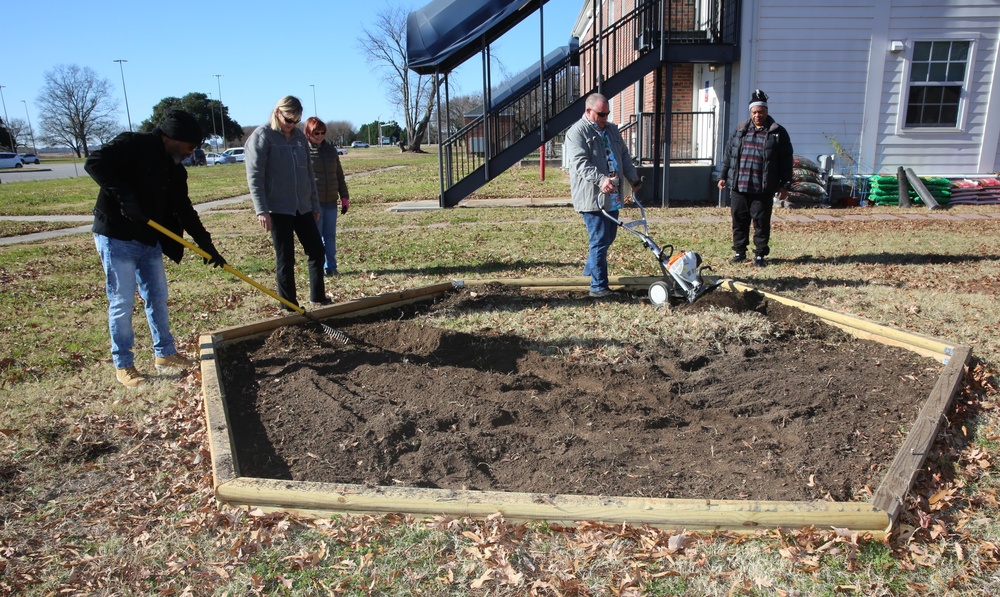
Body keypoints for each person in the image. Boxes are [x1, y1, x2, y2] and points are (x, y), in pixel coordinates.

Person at [86, 109, 227, 388]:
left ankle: (164, 353)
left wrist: (208, 246)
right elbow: (95, 162)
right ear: (171, 138)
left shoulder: (175, 169)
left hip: (149, 241)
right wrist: (125, 198)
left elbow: (184, 210)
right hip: (117, 238)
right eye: (190, 146)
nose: (191, 152)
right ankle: (124, 364)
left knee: (157, 297)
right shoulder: (133, 144)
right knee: (122, 303)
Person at [245, 96, 329, 308]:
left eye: (297, 120)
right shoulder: (263, 136)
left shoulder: (300, 137)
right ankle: (289, 305)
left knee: (317, 251)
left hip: (303, 208)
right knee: (286, 258)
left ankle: (318, 297)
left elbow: (308, 173)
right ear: (278, 113)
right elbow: (255, 175)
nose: (292, 124)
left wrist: (314, 205)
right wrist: (261, 210)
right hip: (277, 208)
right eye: (289, 120)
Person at [565, 93, 640, 298]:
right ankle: (598, 287)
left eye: (607, 113)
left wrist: (632, 177)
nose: (605, 117)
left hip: (613, 196)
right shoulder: (576, 133)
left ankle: (590, 272)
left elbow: (623, 154)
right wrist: (601, 180)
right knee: (599, 239)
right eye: (601, 114)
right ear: (588, 111)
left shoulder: (612, 129)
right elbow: (580, 163)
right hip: (592, 197)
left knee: (608, 237)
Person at [717, 89, 794, 268]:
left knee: (761, 222)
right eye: (754, 112)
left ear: (766, 111)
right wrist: (723, 175)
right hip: (739, 185)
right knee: (739, 221)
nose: (758, 115)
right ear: (750, 112)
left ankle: (759, 254)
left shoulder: (777, 132)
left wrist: (784, 185)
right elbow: (729, 155)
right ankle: (739, 252)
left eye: (761, 112)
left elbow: (786, 160)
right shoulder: (740, 131)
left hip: (762, 188)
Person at [303, 117, 349, 276]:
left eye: (323, 132)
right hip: (314, 204)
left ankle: (331, 267)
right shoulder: (304, 151)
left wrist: (344, 197)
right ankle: (317, 269)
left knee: (330, 237)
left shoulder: (330, 150)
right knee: (316, 239)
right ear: (308, 132)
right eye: (317, 132)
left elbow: (339, 175)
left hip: (331, 202)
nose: (320, 135)